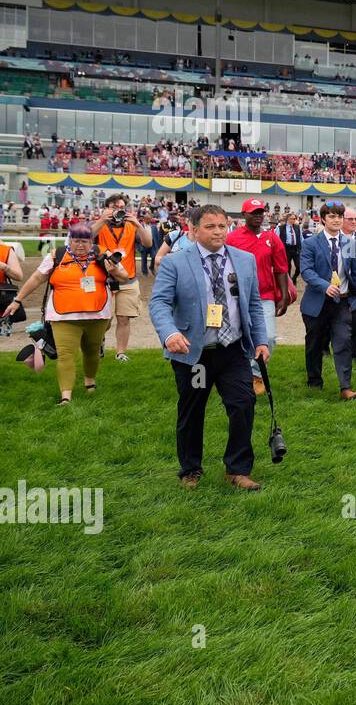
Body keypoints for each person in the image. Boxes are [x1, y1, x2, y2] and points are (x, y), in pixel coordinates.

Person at [148, 204, 269, 489]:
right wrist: (169, 334)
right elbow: (159, 303)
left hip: (233, 351)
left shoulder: (244, 260)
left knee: (243, 404)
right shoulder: (175, 262)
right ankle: (190, 469)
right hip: (195, 354)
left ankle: (237, 469)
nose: (218, 232)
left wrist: (261, 340)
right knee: (193, 410)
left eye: (222, 226)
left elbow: (253, 304)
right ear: (193, 230)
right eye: (210, 226)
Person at [3, 223, 129, 404]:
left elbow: (124, 276)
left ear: (90, 241)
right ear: (70, 240)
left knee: (92, 351)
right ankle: (66, 396)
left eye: (84, 241)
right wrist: (17, 300)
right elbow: (36, 278)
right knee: (65, 354)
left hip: (98, 315)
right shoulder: (57, 255)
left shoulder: (102, 254)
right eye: (76, 240)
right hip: (63, 316)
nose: (80, 245)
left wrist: (113, 269)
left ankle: (90, 381)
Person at [300, 201, 356, 401]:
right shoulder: (311, 243)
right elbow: (306, 271)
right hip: (317, 302)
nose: (336, 220)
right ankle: (314, 380)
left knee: (343, 342)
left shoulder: (349, 243)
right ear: (323, 219)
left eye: (339, 216)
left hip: (342, 303)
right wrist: (323, 285)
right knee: (315, 343)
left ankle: (346, 387)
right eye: (332, 216)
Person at [226, 198, 289, 396]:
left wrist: (284, 295)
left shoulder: (272, 237)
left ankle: (256, 374)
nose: (258, 216)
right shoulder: (233, 238)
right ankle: (237, 374)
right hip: (236, 296)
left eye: (261, 212)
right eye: (254, 212)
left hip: (265, 295)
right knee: (237, 337)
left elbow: (281, 268)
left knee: (268, 336)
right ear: (244, 215)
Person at [91, 193, 152, 362]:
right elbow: (85, 237)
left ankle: (121, 353)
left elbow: (148, 244)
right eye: (114, 207)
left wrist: (138, 223)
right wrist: (102, 220)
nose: (118, 211)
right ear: (107, 208)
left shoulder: (131, 226)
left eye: (121, 208)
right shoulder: (100, 225)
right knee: (104, 320)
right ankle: (99, 342)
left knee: (124, 319)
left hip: (128, 280)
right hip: (103, 280)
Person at [341, 207, 356, 362]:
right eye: (351, 219)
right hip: (334, 289)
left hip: (354, 290)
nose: (354, 222)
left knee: (355, 324)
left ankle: (353, 355)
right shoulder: (333, 239)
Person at [277, 211, 304, 281]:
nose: (293, 220)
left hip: (296, 249)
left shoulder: (297, 227)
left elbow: (301, 239)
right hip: (286, 248)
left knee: (299, 266)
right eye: (291, 218)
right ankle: (289, 282)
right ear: (287, 219)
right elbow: (277, 240)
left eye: (294, 219)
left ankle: (294, 278)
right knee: (288, 266)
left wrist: (303, 248)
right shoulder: (280, 228)